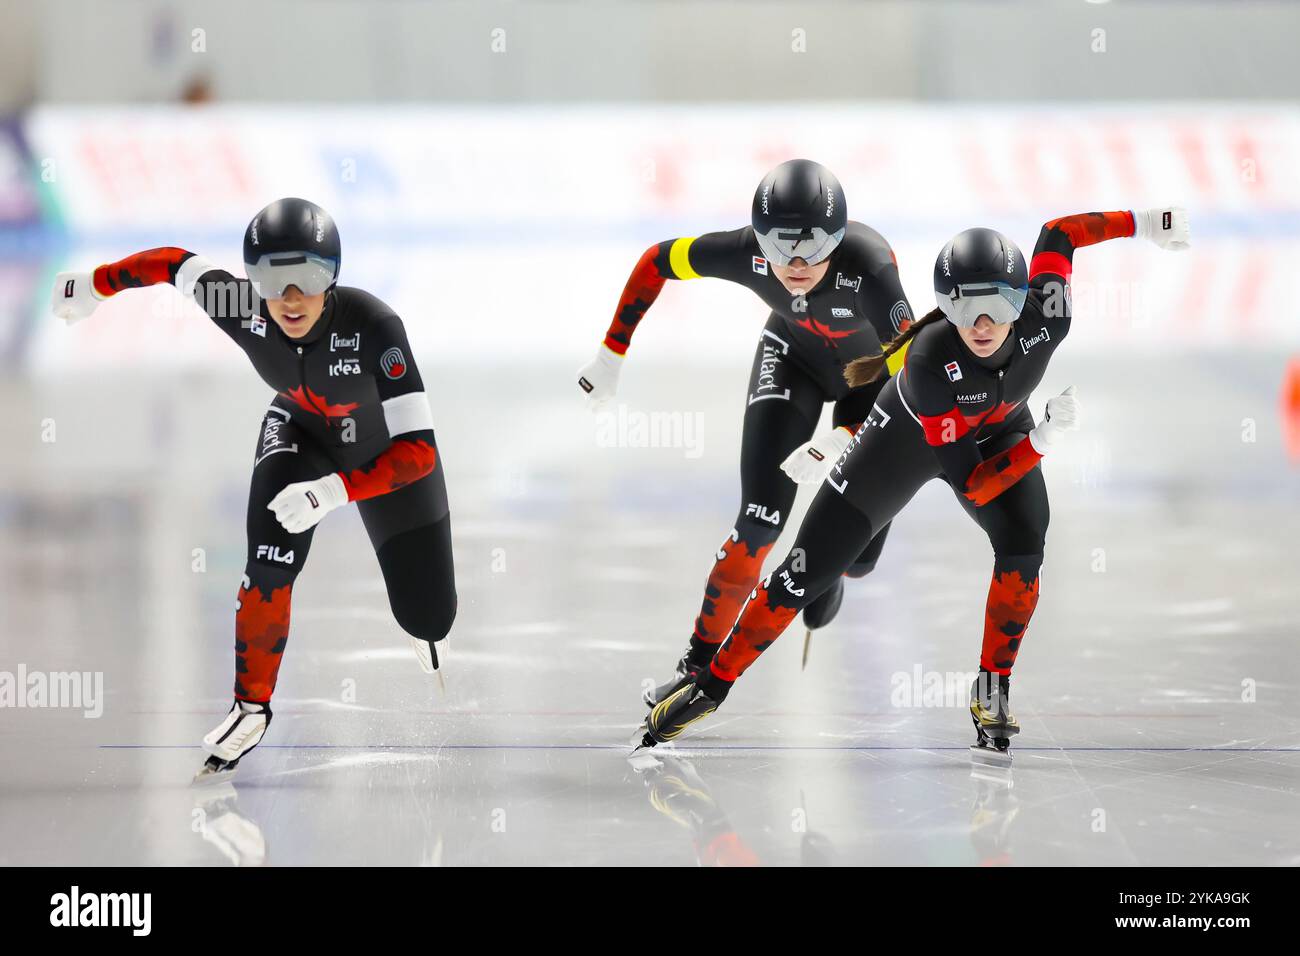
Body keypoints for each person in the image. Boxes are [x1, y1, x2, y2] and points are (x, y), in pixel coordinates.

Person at [640, 206, 1190, 760]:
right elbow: (974, 486)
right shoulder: (929, 360)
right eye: (963, 306)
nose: (981, 324)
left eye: (998, 304)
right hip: (902, 441)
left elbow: (1061, 233)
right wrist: (1041, 440)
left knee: (1024, 545)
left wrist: (1146, 222)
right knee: (803, 575)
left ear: (1023, 299)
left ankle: (992, 688)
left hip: (997, 433)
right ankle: (711, 686)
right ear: (945, 308)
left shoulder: (1049, 318)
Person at [51, 197, 457, 779]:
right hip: (298, 431)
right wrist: (96, 285)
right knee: (268, 561)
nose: (289, 298)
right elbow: (172, 263)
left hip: (383, 455)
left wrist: (332, 492)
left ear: (332, 277)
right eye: (270, 280)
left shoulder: (376, 327)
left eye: (307, 278)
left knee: (429, 617)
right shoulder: (239, 307)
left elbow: (418, 452)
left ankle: (426, 627)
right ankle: (251, 708)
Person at [577, 160, 916, 705]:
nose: (797, 264)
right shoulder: (745, 254)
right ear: (760, 241)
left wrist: (843, 437)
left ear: (838, 239)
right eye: (780, 246)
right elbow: (657, 260)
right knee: (757, 523)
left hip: (869, 380)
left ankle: (832, 568)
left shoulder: (871, 270)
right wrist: (611, 352)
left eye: (814, 247)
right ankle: (696, 665)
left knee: (859, 561)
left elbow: (914, 388)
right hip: (791, 362)